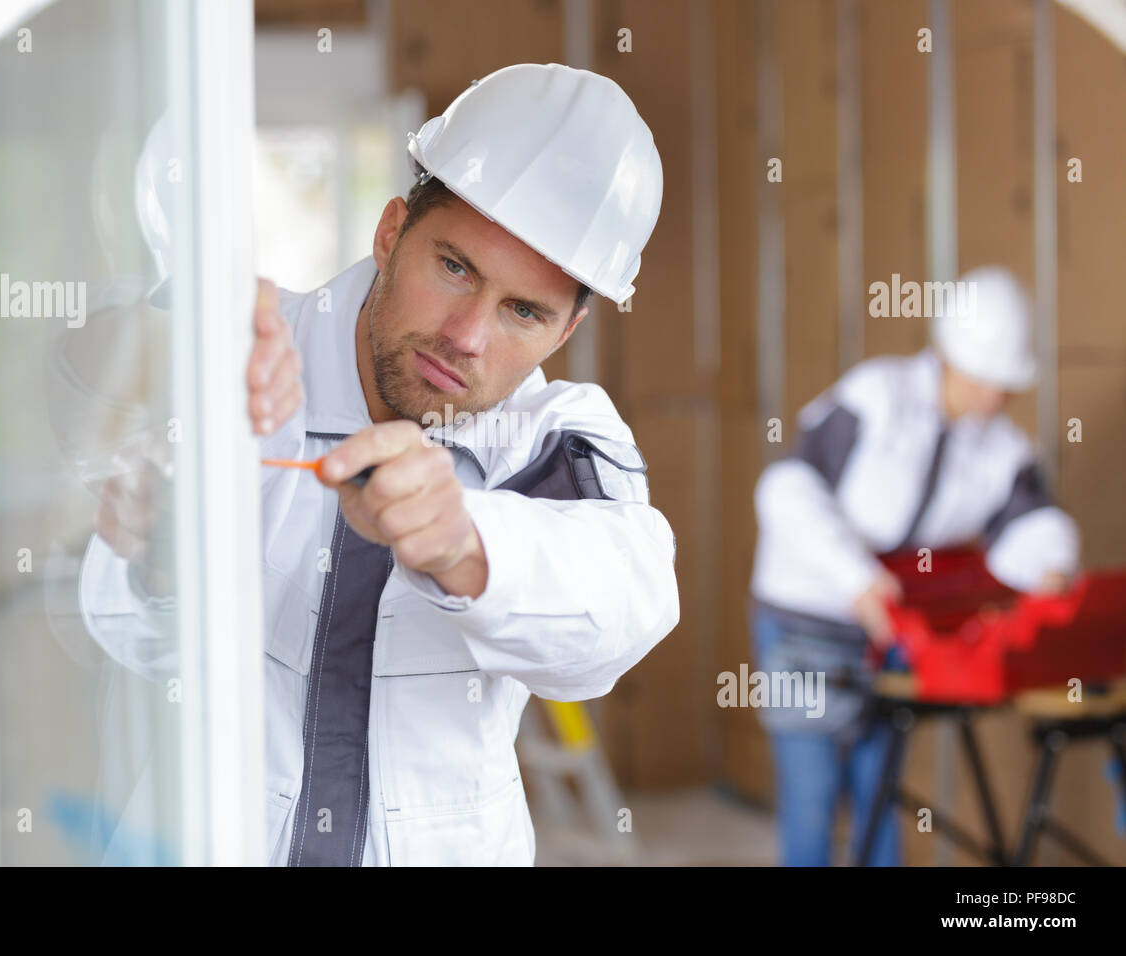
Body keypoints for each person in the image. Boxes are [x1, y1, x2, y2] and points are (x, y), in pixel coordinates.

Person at [78, 62, 678, 865]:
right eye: (455, 267)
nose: (468, 335)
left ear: (562, 334)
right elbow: (126, 633)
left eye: (523, 312)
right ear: (391, 231)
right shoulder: (251, 361)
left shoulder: (551, 438)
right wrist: (156, 550)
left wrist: (466, 546)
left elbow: (620, 613)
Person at [749, 266, 1080, 866]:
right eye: (982, 378)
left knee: (880, 795)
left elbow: (1031, 525)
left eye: (1004, 384)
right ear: (947, 353)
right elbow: (787, 489)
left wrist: (1050, 563)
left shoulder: (1000, 445)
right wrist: (858, 582)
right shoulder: (876, 395)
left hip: (892, 638)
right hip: (805, 625)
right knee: (813, 798)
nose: (993, 396)